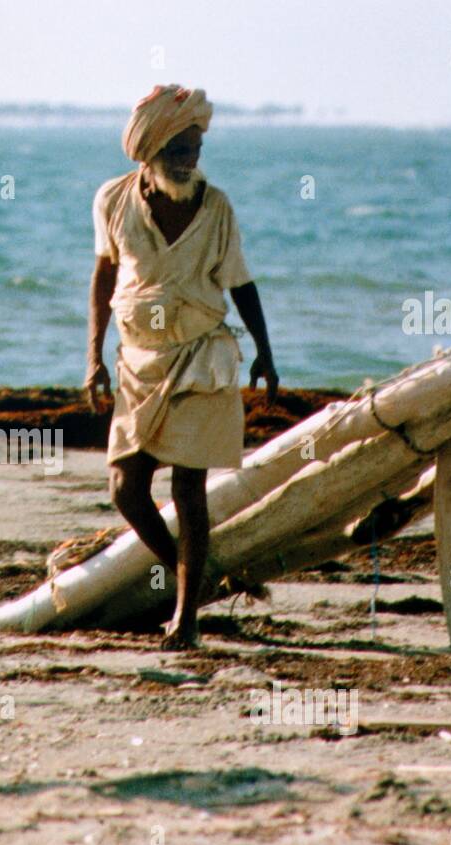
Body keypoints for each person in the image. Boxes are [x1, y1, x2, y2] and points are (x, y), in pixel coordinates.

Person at [86, 84, 279, 650]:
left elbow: (241, 282)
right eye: (177, 150)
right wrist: (92, 354)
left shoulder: (217, 207)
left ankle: (186, 619)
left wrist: (266, 351)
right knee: (126, 488)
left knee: (189, 490)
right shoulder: (113, 201)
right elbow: (103, 275)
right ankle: (194, 582)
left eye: (195, 148)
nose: (189, 159)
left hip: (202, 358)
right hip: (137, 361)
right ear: (150, 152)